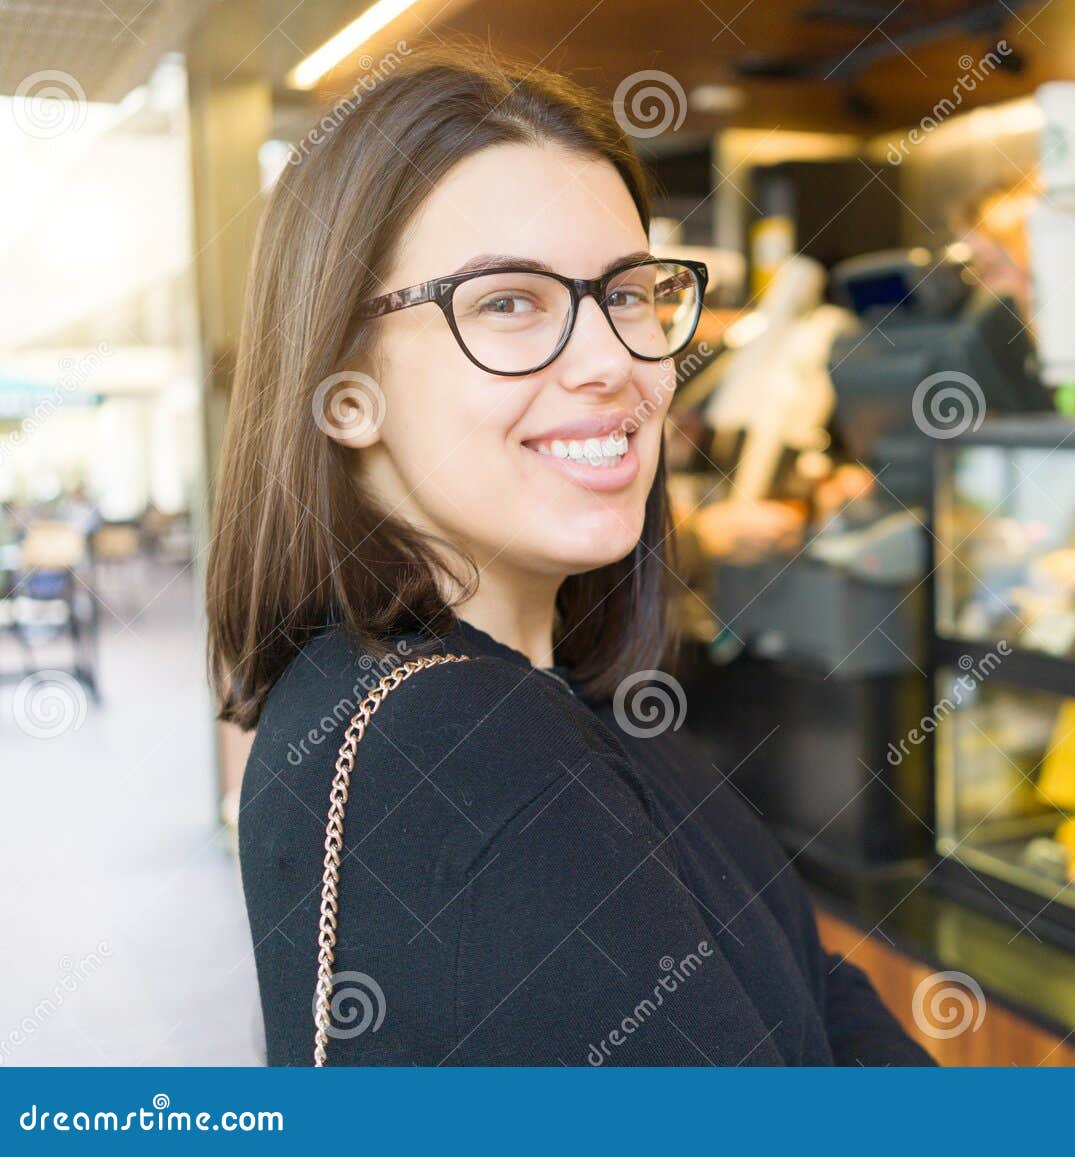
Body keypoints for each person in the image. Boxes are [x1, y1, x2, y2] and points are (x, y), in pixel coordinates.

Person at [205, 49, 933, 1067]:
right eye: (508, 302)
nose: (616, 362)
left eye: (629, 294)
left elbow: (807, 984)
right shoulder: (458, 743)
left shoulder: (533, 695)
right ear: (343, 385)